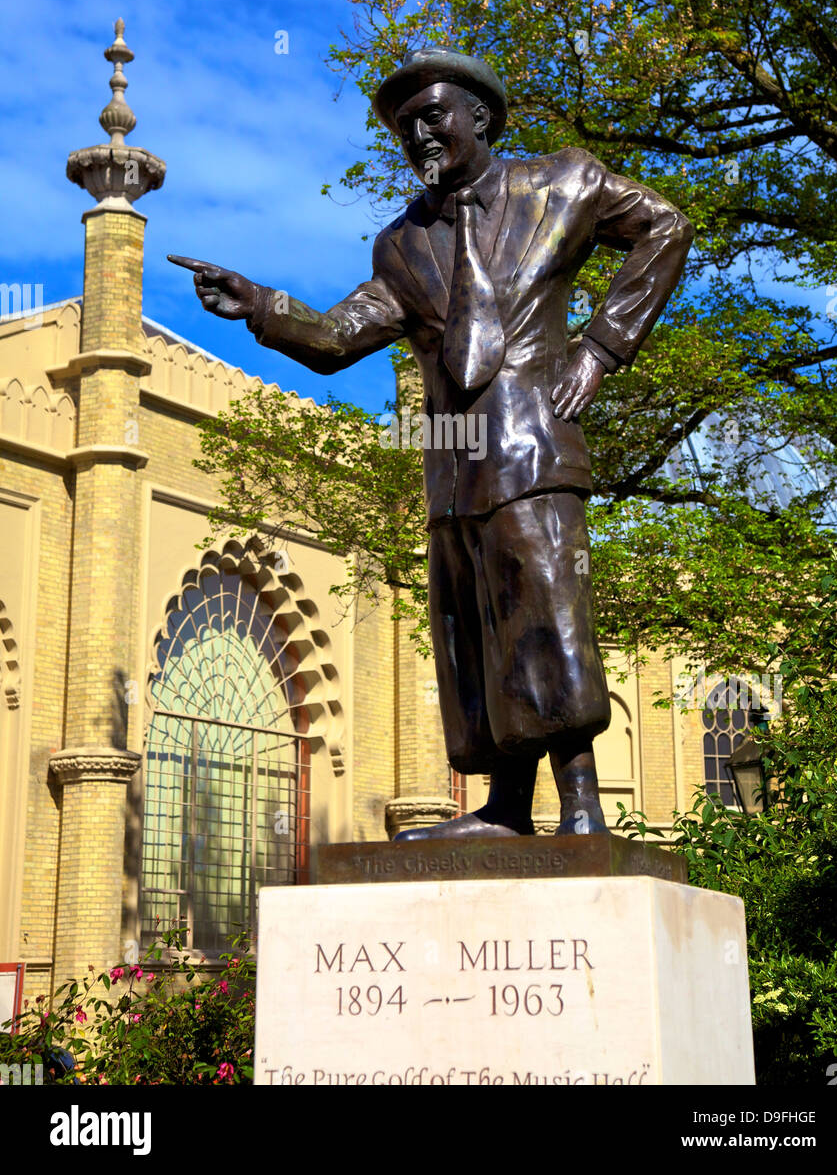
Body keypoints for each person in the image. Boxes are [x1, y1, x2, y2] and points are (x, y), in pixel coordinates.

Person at [169, 48, 693, 839]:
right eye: (405, 127)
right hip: (452, 467)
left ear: (478, 117)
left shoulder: (560, 183)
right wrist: (263, 305)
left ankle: (582, 810)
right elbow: (340, 335)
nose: (418, 136)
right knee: (478, 632)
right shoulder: (401, 244)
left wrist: (600, 348)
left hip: (533, 446)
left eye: (432, 116)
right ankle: (507, 810)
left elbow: (665, 226)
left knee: (546, 616)